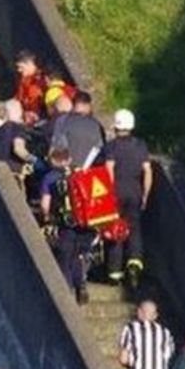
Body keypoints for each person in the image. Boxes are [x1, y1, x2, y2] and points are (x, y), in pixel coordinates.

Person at [103, 109, 152, 287]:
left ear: (116, 127)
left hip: (116, 192)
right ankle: (134, 261)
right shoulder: (141, 146)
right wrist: (145, 194)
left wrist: (109, 193)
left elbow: (109, 169)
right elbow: (147, 171)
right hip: (135, 192)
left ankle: (114, 272)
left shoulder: (111, 146)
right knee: (135, 229)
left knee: (116, 230)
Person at [40, 148, 94, 304]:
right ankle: (81, 282)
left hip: (66, 225)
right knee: (79, 255)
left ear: (52, 160)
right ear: (68, 160)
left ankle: (67, 292)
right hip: (86, 226)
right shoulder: (81, 173)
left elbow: (45, 204)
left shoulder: (50, 178)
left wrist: (47, 218)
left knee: (65, 258)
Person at [119, 300, 175, 369]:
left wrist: (134, 362)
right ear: (155, 316)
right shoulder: (165, 332)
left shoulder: (130, 329)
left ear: (139, 312)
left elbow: (123, 359)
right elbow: (168, 357)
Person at [50, 91, 106, 169]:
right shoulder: (96, 125)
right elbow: (101, 149)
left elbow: (58, 146)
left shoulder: (62, 121)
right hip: (90, 173)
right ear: (88, 105)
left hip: (66, 170)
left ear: (74, 105)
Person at [0, 100, 37, 177]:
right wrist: (34, 160)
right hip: (12, 170)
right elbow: (18, 149)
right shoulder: (17, 128)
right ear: (19, 112)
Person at [14, 50, 48, 125]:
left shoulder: (41, 81)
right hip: (24, 114)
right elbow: (19, 98)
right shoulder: (24, 79)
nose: (19, 70)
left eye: (21, 67)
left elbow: (37, 105)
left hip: (35, 119)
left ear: (29, 64)